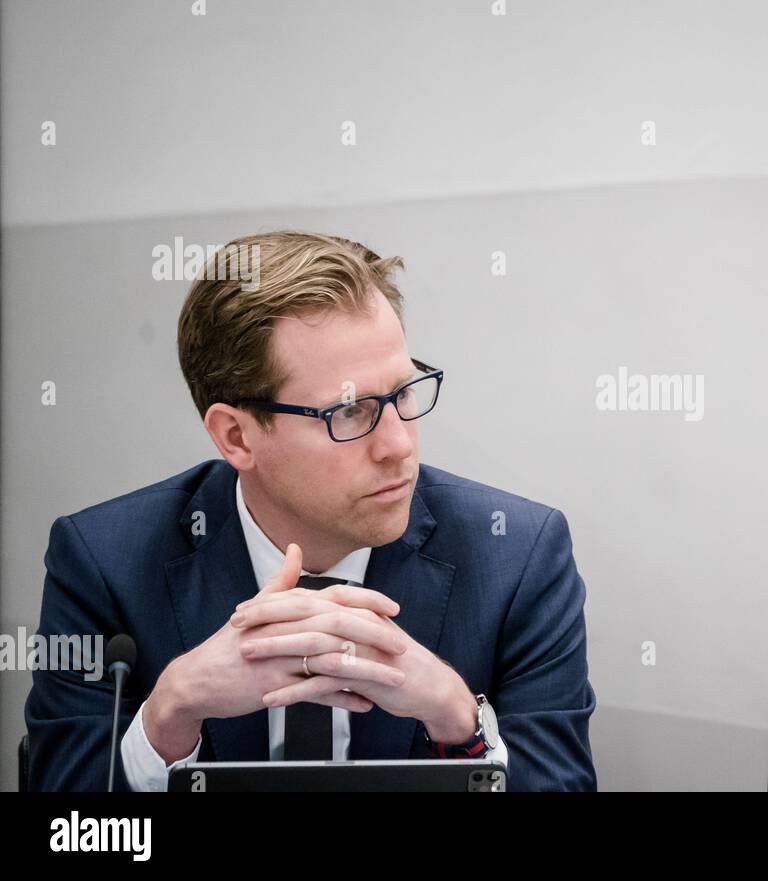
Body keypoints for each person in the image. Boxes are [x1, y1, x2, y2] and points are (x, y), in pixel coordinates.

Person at [24, 231, 597, 791]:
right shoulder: (103, 562)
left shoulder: (519, 556)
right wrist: (167, 716)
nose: (399, 445)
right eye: (348, 412)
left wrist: (458, 722)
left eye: (402, 393)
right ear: (236, 437)